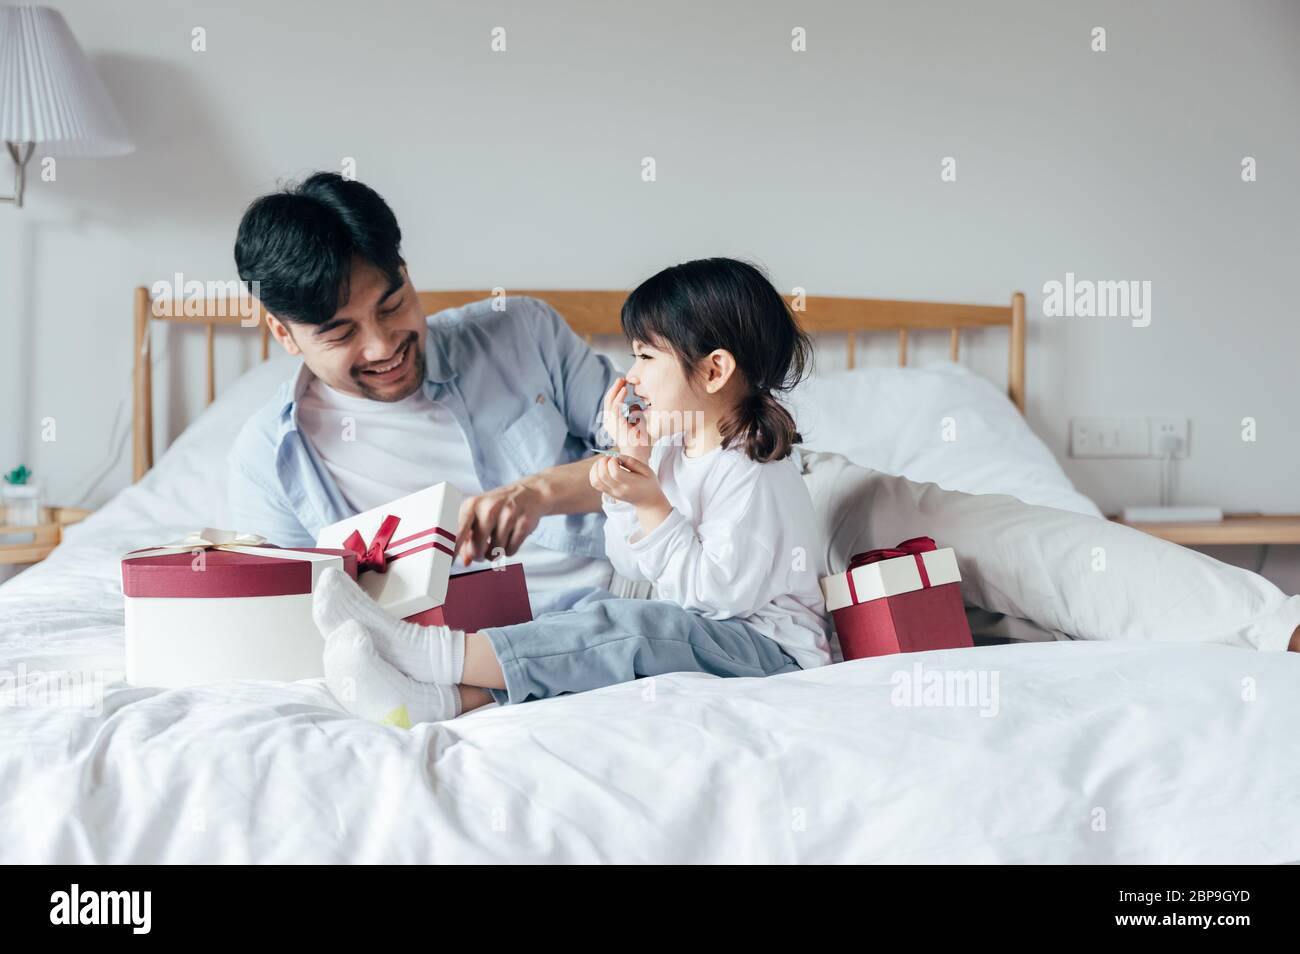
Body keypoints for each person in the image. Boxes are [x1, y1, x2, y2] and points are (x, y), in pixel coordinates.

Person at [311, 258, 834, 725]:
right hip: (704, 630)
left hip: (771, 652)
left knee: (629, 627)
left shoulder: (754, 469)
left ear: (715, 369)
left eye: (647, 358)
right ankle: (445, 701)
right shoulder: (674, 450)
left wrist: (651, 503)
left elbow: (715, 595)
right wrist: (634, 476)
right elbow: (631, 565)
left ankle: (431, 653)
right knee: (591, 628)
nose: (631, 376)